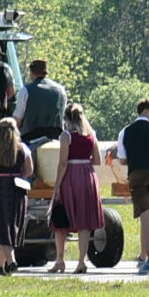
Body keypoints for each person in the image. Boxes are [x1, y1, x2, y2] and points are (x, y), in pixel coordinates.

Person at [115, 99, 149, 275]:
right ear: (146, 111)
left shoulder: (125, 131)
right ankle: (148, 256)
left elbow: (122, 159)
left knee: (145, 215)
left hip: (137, 173)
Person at [48, 103, 104, 274]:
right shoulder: (91, 135)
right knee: (84, 221)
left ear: (66, 118)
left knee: (61, 219)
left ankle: (60, 260)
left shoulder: (66, 136)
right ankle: (81, 261)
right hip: (88, 176)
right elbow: (97, 160)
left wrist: (57, 186)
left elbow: (63, 162)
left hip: (71, 177)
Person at [0, 116, 35, 274]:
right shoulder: (22, 147)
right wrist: (16, 175)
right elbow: (29, 170)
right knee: (9, 225)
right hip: (16, 188)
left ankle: (11, 261)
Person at [20, 57, 68, 140]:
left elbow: (18, 119)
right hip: (55, 137)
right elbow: (62, 116)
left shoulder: (26, 90)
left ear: (31, 72)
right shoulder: (61, 90)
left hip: (31, 138)